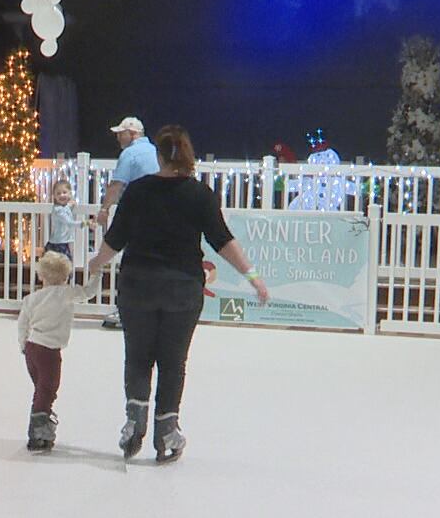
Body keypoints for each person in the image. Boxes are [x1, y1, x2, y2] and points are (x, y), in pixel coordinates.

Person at [88, 125, 270, 463]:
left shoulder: (139, 191)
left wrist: (95, 263)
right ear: (187, 155)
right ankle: (167, 431)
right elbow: (222, 240)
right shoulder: (199, 194)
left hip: (137, 285)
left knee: (138, 357)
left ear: (158, 154)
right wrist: (254, 277)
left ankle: (134, 421)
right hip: (182, 290)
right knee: (173, 362)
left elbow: (116, 238)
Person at [15, 250, 103, 452]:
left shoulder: (32, 299)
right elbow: (89, 292)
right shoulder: (67, 293)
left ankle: (42, 423)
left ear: (40, 275)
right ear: (66, 276)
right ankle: (38, 430)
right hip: (50, 352)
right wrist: (97, 274)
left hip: (32, 348)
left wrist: (23, 345)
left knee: (41, 389)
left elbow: (22, 324)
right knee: (48, 390)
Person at [97, 116, 158, 329]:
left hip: (138, 216)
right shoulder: (154, 151)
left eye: (120, 133)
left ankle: (126, 311)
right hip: (160, 218)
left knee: (131, 264)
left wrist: (104, 209)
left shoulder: (130, 153)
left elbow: (116, 185)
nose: (117, 137)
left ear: (132, 134)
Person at [45, 178, 80, 260]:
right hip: (57, 244)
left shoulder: (64, 208)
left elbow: (65, 209)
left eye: (64, 192)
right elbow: (69, 222)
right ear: (54, 196)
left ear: (70, 194)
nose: (62, 195)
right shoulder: (57, 210)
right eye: (58, 193)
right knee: (62, 267)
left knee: (65, 266)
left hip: (63, 242)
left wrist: (70, 205)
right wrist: (85, 223)